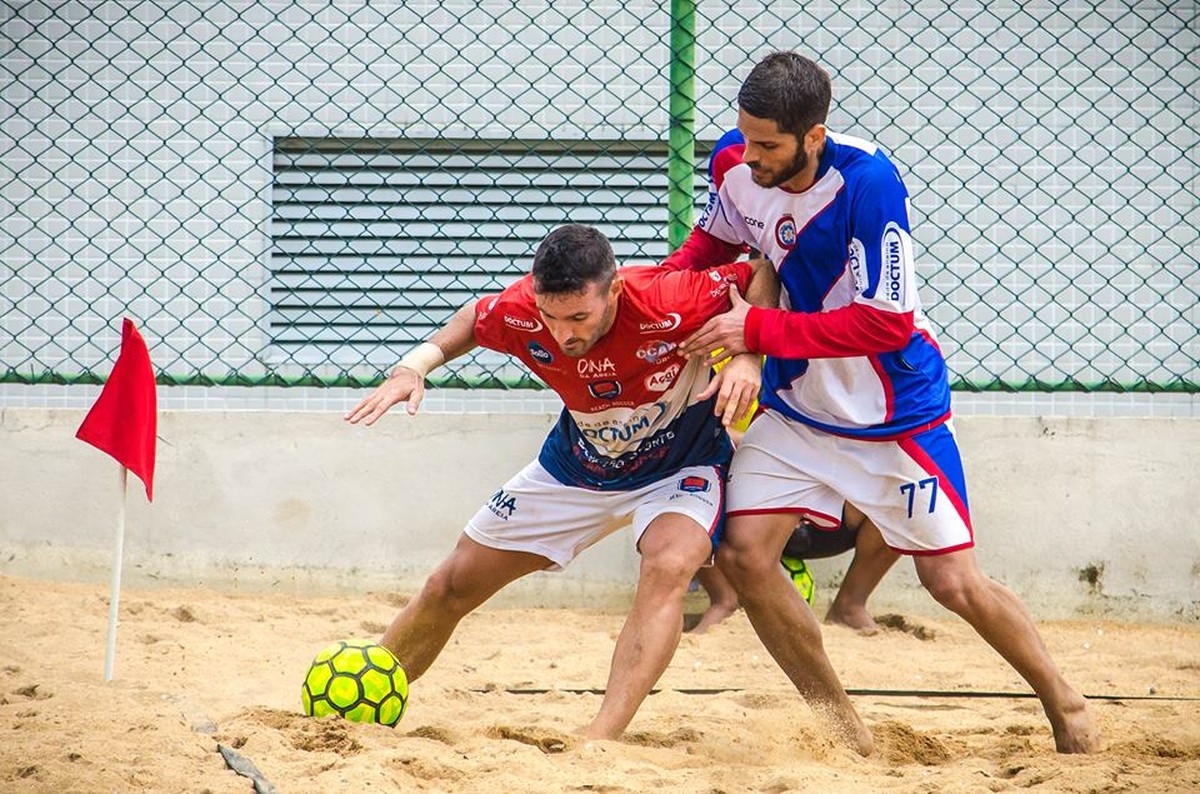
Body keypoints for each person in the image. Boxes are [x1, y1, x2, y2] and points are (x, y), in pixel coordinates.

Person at [673, 52, 1099, 753]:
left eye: (768, 145)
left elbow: (884, 323)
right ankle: (845, 731)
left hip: (891, 414)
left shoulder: (869, 185)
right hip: (798, 410)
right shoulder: (736, 163)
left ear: (814, 135)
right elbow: (712, 243)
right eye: (744, 137)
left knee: (953, 583)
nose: (748, 156)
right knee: (745, 558)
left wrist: (755, 330)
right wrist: (644, 287)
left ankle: (1066, 703)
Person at [344, 224, 871, 751]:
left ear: (614, 290)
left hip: (680, 466)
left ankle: (598, 736)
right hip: (578, 467)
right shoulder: (525, 310)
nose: (563, 334)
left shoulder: (668, 296)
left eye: (578, 317)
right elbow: (475, 319)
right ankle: (366, 699)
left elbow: (759, 272)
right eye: (551, 318)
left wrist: (748, 352)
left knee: (668, 565)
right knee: (450, 586)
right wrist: (414, 367)